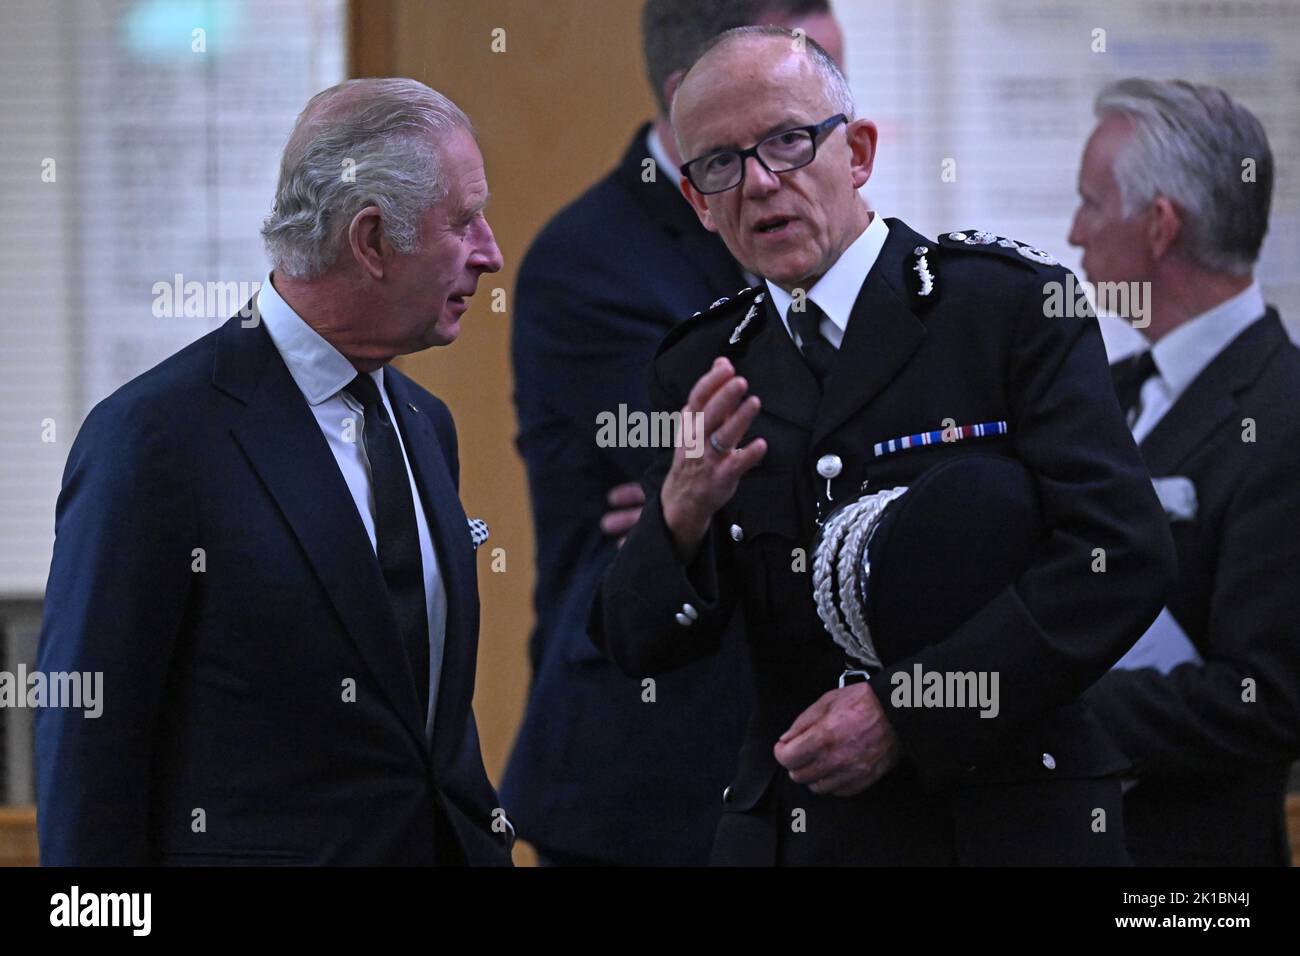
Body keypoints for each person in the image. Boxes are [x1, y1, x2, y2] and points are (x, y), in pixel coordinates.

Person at [593, 27, 1176, 865]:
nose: (759, 184)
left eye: (788, 142)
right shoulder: (703, 365)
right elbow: (637, 643)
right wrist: (678, 521)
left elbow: (1120, 555)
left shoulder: (1004, 310)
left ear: (857, 152)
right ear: (698, 203)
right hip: (805, 833)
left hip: (1004, 820)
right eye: (720, 164)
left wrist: (909, 713)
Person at [35, 78, 512, 866]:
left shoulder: (426, 424)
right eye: (463, 222)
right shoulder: (156, 440)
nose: (490, 253)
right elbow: (89, 743)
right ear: (370, 241)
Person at [503, 0, 842, 866]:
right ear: (694, 93)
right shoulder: (588, 260)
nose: (821, 140)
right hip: (649, 763)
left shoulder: (828, 225)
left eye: (829, 104)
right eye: (795, 107)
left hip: (803, 756)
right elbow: (748, 467)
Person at [1071, 78, 1300, 866]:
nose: (1073, 232)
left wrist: (1039, 696)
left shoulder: (1286, 414)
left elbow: (1272, 697)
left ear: (1159, 225)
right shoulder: (1109, 389)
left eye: (1091, 204)